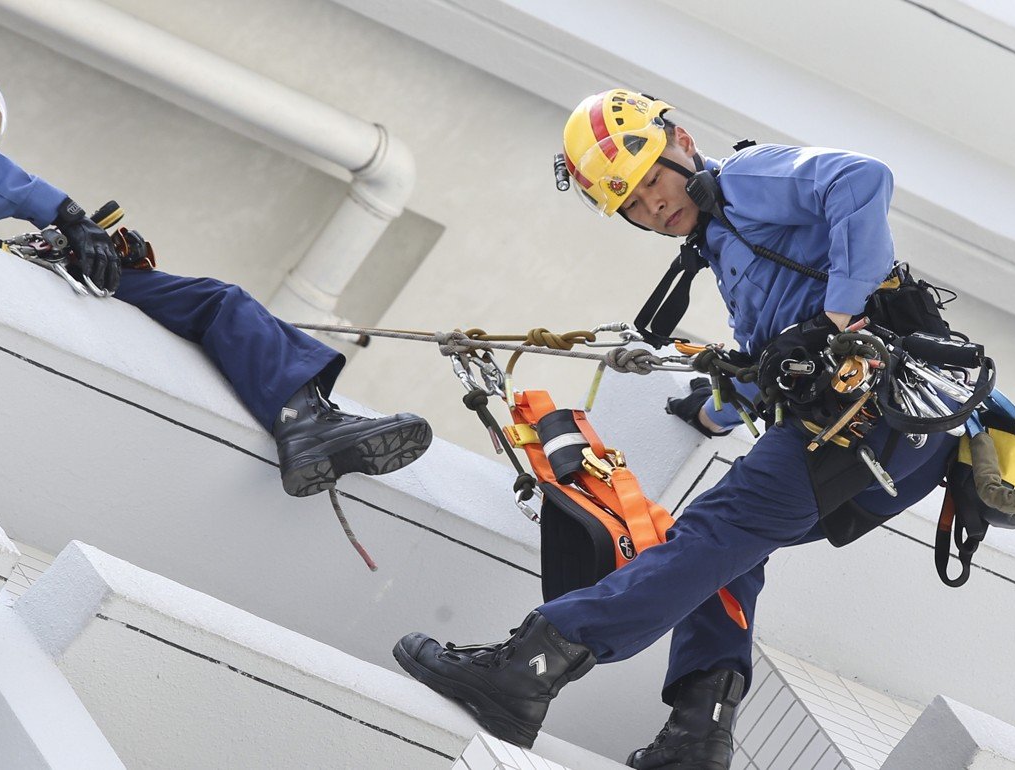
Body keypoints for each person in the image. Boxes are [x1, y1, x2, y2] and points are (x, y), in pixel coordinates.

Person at [393, 89, 960, 767]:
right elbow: (782, 360)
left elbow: (862, 179)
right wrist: (714, 408)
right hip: (896, 445)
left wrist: (832, 322)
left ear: (681, 140)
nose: (653, 206)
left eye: (651, 180)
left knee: (711, 534)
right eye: (632, 204)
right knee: (727, 553)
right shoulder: (725, 243)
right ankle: (698, 730)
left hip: (865, 417)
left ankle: (529, 667)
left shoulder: (744, 180)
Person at [0, 51, 432, 498]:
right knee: (214, 302)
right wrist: (66, 215)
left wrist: (88, 252)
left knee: (206, 301)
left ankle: (309, 418)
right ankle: (306, 422)